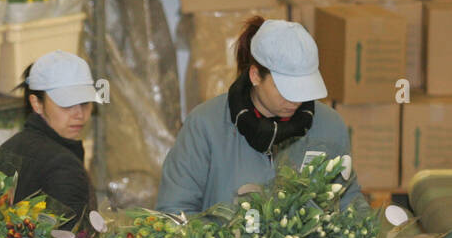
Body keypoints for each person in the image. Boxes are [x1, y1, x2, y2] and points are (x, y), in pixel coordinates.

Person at [156, 17, 367, 215]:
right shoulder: (205, 126)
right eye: (285, 88)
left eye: (303, 89)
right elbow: (175, 210)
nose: (295, 100)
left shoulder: (330, 126)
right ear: (255, 75)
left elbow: (349, 202)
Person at [0, 50, 99, 230]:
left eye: (85, 102)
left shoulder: (5, 151)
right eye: (67, 104)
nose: (79, 114)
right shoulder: (63, 165)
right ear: (36, 103)